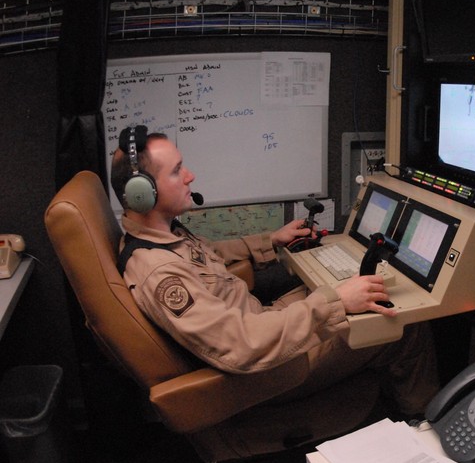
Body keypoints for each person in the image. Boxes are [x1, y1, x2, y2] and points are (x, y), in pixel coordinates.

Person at [109, 130, 439, 418]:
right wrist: (336, 302)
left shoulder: (163, 238)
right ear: (143, 193)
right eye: (177, 171)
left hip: (268, 326)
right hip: (270, 368)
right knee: (404, 323)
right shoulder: (160, 274)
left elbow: (211, 256)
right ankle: (422, 422)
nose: (190, 176)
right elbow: (242, 344)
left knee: (349, 286)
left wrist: (270, 241)